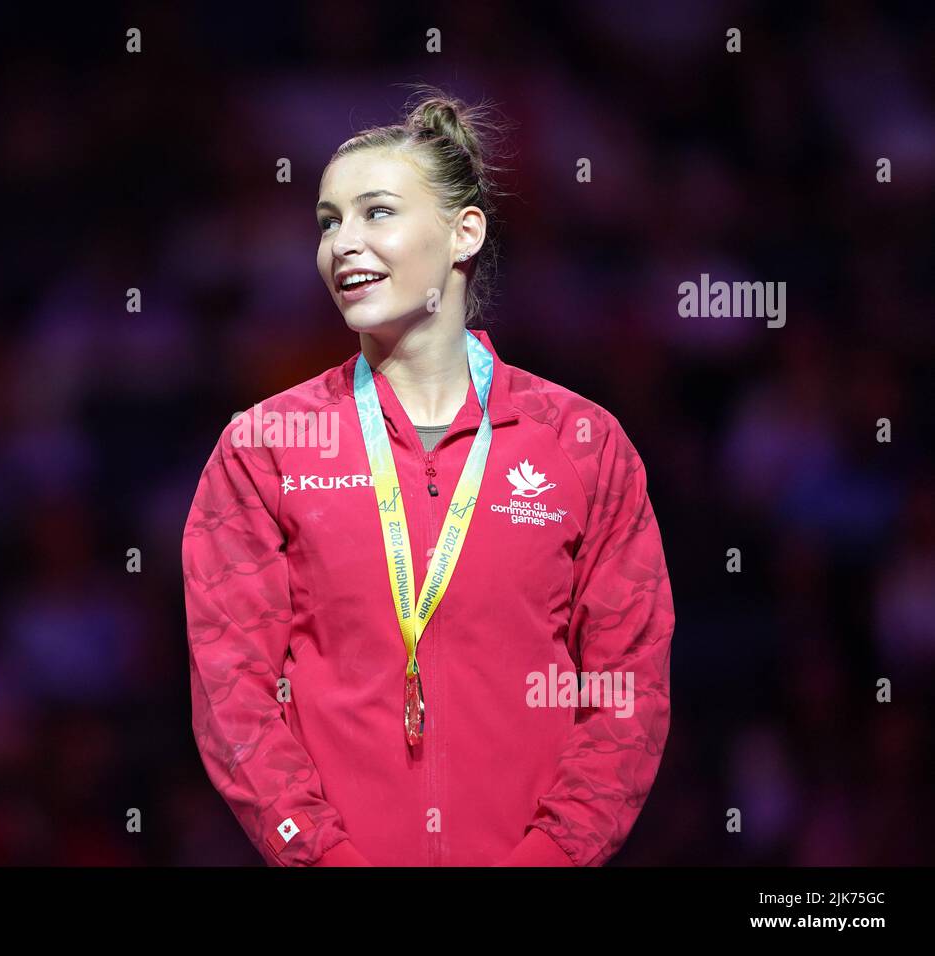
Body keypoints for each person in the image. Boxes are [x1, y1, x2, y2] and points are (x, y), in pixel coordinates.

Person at [181, 86, 674, 866]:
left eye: (375, 212)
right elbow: (232, 696)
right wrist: (323, 857)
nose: (342, 243)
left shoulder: (583, 444)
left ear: (462, 232)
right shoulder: (266, 446)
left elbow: (627, 691)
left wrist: (550, 858)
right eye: (327, 222)